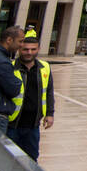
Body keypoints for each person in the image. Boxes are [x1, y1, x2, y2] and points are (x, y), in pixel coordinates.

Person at [7, 32, 54, 161]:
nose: (29, 52)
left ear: (38, 49)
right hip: (12, 124)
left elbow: (49, 91)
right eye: (25, 49)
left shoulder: (45, 68)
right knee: (9, 159)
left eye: (33, 49)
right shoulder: (10, 68)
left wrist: (50, 114)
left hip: (33, 125)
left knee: (31, 159)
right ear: (19, 50)